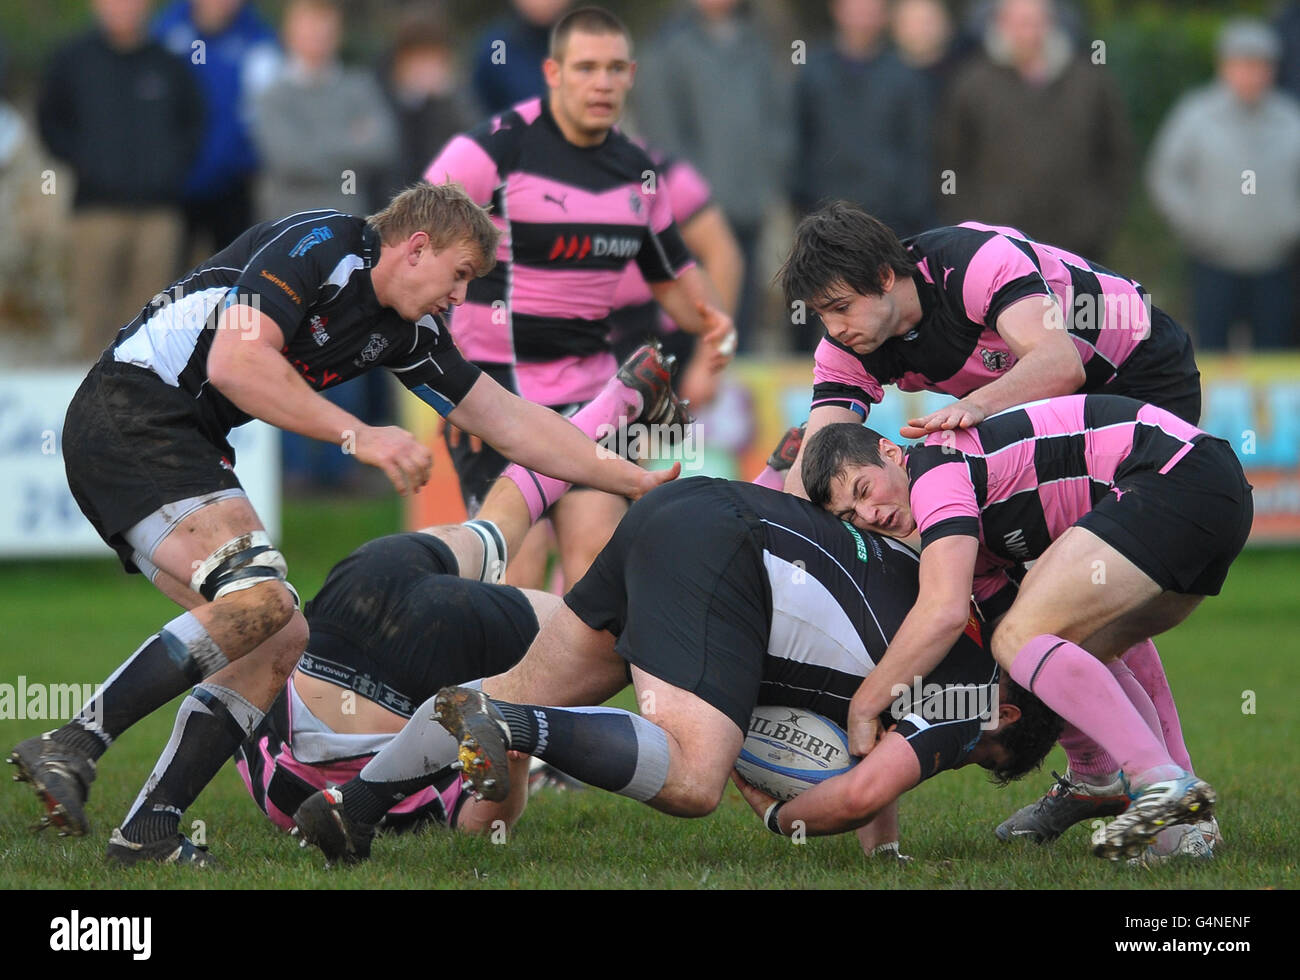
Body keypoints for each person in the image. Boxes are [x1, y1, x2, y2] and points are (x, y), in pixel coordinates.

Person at [6, 181, 678, 866]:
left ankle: (149, 829)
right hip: (132, 413)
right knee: (262, 600)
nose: (461, 297)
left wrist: (632, 480)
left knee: (279, 634)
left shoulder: (408, 332)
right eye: (461, 275)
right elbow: (236, 362)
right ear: (418, 247)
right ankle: (71, 745)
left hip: (179, 441)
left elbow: (506, 420)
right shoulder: (321, 244)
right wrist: (363, 436)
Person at [294, 474, 1064, 865]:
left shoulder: (942, 602)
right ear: (1006, 715)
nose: (943, 756)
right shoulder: (972, 696)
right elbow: (862, 791)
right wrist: (776, 815)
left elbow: (876, 756)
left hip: (687, 508)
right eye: (972, 759)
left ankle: (351, 814)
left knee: (514, 686)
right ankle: (509, 727)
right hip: (727, 560)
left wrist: (885, 855)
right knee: (696, 779)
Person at [237, 345, 681, 854]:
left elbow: (482, 821)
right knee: (496, 526)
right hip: (356, 593)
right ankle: (614, 404)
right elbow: (242, 686)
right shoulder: (271, 790)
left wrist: (515, 749)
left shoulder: (414, 808)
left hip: (430, 655)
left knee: (622, 638)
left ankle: (735, 530)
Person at [798, 397, 1251, 859]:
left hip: (1176, 473)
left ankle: (1157, 780)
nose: (869, 515)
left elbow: (945, 612)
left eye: (862, 489)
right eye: (850, 517)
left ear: (891, 453)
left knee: (1018, 638)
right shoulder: (970, 539)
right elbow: (1038, 663)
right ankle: (1184, 822)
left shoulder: (934, 469)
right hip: (1211, 490)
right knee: (1075, 648)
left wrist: (865, 706)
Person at [424, 6, 736, 587]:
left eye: (615, 68)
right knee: (518, 560)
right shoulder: (490, 151)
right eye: (586, 67)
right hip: (495, 393)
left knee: (597, 560)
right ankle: (491, 680)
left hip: (591, 399)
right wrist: (441, 370)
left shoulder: (639, 174)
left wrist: (716, 324)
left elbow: (675, 280)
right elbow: (412, 243)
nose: (602, 82)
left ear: (631, 75)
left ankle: (557, 679)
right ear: (553, 72)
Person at [37, 0, 203, 360]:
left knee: (154, 323)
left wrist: (168, 170)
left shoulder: (169, 63)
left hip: (159, 214)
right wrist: (87, 162)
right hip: (94, 213)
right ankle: (89, 409)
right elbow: (49, 122)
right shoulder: (71, 59)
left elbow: (193, 124)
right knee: (93, 320)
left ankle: (145, 409)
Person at [634, 0, 793, 352]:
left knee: (744, 318)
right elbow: (662, 135)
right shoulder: (668, 46)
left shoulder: (760, 43)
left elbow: (779, 120)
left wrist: (767, 178)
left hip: (750, 207)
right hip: (693, 222)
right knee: (695, 317)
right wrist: (693, 199)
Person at [935, 0, 1133, 261]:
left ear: (1051, 24)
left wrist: (1098, 221)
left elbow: (1117, 155)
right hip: (999, 251)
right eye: (1018, 22)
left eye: (1035, 21)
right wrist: (971, 223)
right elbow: (949, 160)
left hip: (1077, 248)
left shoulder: (1089, 81)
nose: (1028, 32)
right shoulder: (972, 84)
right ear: (999, 25)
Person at [1147, 18, 1300, 351]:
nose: (1250, 74)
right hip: (1212, 263)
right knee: (1210, 356)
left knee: (1274, 358)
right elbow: (1165, 175)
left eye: (1259, 65)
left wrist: (1290, 225)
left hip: (1275, 265)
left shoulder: (1291, 120)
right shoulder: (1195, 116)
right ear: (1225, 66)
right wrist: (1196, 225)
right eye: (1242, 64)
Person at [154, 0, 282, 260]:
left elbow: (265, 112)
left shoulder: (258, 40)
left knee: (233, 278)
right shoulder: (165, 32)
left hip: (233, 183)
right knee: (170, 283)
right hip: (171, 184)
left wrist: (248, 161)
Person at [250, 0, 397, 219]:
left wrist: (310, 142)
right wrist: (351, 139)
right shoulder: (273, 96)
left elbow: (383, 146)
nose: (318, 37)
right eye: (310, 29)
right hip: (288, 222)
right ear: (288, 34)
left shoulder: (359, 87)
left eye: (324, 30)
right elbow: (289, 160)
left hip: (350, 218)